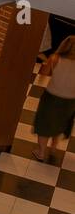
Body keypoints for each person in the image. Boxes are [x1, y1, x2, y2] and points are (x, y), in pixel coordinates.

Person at [33, 34, 75, 163]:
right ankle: (53, 148)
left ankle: (41, 152)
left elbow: (44, 74)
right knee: (60, 122)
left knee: (44, 123)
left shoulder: (55, 58)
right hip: (70, 99)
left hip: (52, 96)